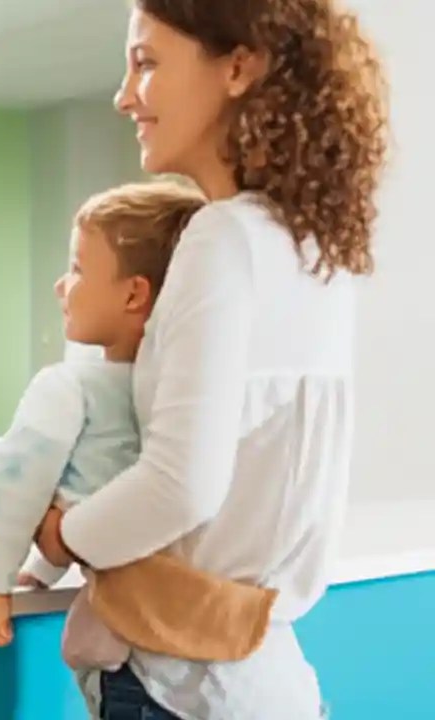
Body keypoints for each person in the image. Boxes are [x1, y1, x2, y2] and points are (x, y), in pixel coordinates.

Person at [31, 1, 389, 718]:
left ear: (238, 66)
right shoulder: (315, 249)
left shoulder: (222, 241)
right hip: (270, 682)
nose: (124, 94)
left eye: (147, 62)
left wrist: (63, 534)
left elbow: (180, 486)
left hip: (179, 687)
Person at [0, 182, 274, 697]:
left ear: (135, 293)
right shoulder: (188, 395)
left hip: (130, 642)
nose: (59, 286)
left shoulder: (69, 387)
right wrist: (45, 568)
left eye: (77, 269)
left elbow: (15, 485)